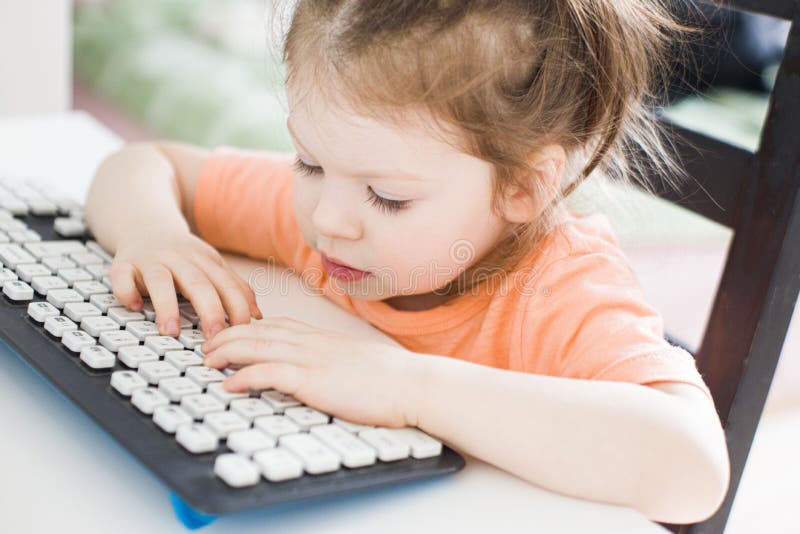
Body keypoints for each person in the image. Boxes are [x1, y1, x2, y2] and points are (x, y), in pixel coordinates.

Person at [84, 0, 729, 524]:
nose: (327, 218)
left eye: (387, 197)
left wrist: (407, 387)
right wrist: (152, 232)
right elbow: (145, 165)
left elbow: (693, 466)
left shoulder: (556, 284)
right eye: (308, 161)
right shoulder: (329, 209)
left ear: (522, 189)